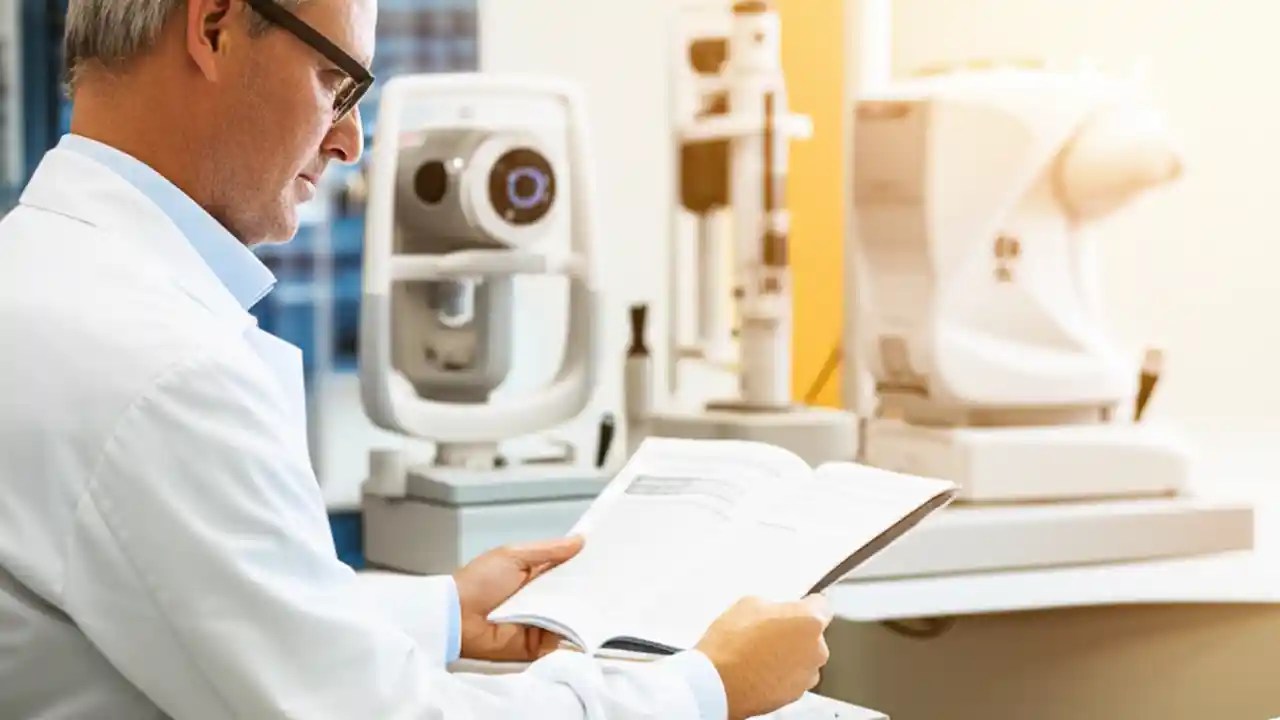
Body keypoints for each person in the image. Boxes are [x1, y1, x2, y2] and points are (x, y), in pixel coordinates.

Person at [0, 0, 835, 718]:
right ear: (215, 27)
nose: (349, 141)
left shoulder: (41, 271)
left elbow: (202, 607)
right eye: (338, 82)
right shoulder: (161, 367)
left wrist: (443, 613)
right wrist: (706, 687)